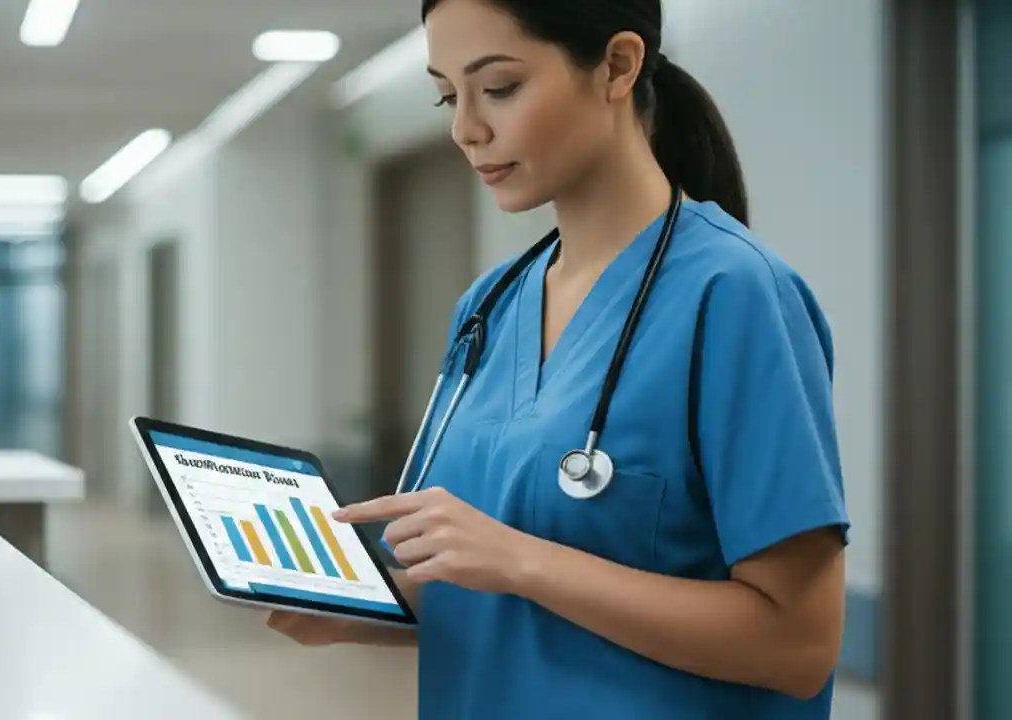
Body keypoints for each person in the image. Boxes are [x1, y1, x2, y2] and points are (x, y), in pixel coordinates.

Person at [267, 0, 850, 717]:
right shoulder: (491, 306)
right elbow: (497, 589)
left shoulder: (734, 296)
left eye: (500, 88)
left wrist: (521, 560)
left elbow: (797, 644)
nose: (465, 129)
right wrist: (363, 608)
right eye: (449, 95)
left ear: (617, 65)